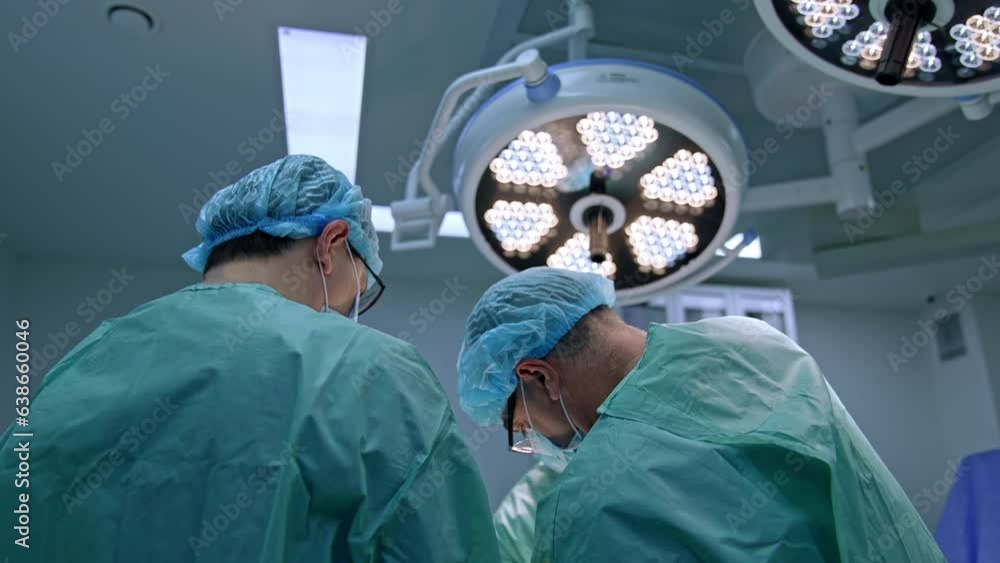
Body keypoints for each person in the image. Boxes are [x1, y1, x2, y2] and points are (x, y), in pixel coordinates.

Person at [1, 155, 499, 562]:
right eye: (358, 292)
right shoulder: (375, 371)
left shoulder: (81, 363)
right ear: (331, 245)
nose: (347, 314)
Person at [457, 266, 946, 563]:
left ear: (538, 376)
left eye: (525, 429)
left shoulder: (583, 503)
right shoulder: (757, 347)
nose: (541, 448)